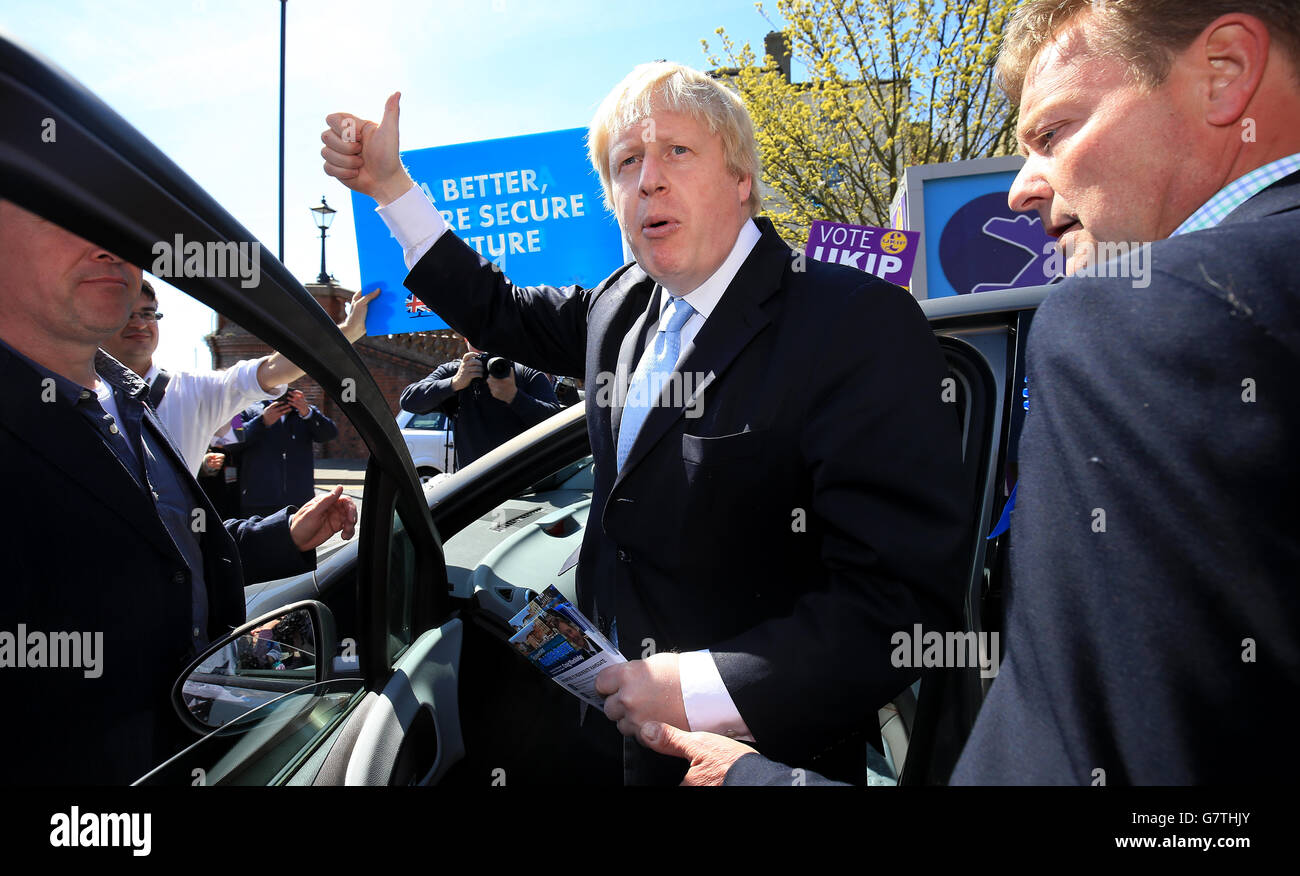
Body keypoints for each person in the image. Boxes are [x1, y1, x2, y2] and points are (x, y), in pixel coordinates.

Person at [639, 0, 1300, 786]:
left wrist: (756, 780)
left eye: (1054, 132)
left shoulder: (1150, 314)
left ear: (1224, 74)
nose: (1022, 189)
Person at [322, 64, 970, 785]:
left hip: (755, 760)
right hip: (606, 737)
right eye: (627, 163)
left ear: (742, 177)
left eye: (677, 153)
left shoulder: (852, 323)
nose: (649, 181)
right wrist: (390, 189)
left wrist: (698, 692)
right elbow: (493, 306)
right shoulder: (620, 306)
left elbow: (898, 607)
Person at [0, 200, 358, 784]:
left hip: (194, 737)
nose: (111, 246)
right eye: (61, 212)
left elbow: (168, 551)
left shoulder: (132, 400)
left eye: (116, 221)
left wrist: (284, 534)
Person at [101, 278, 377, 475]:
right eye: (127, 314)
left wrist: (349, 331)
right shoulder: (68, 391)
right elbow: (236, 438)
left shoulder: (194, 389)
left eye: (148, 314)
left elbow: (273, 369)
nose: (139, 323)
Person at [399, 337, 564, 467]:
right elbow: (409, 401)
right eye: (475, 338)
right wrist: (454, 383)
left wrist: (514, 396)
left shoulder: (525, 371)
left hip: (525, 480)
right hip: (477, 485)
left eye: (488, 337)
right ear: (466, 340)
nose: (483, 344)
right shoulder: (456, 371)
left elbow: (556, 423)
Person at [238, 389, 339, 517]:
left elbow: (330, 433)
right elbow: (231, 442)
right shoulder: (245, 409)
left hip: (299, 501)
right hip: (258, 502)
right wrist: (262, 421)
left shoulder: (305, 411)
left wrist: (308, 413)